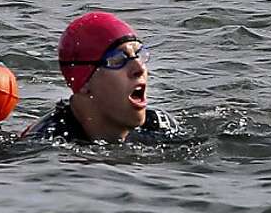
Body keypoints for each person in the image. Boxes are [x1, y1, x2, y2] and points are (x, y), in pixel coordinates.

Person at [23, 11, 178, 143]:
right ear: (83, 82)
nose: (139, 68)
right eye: (118, 60)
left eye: (138, 54)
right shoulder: (48, 141)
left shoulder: (159, 126)